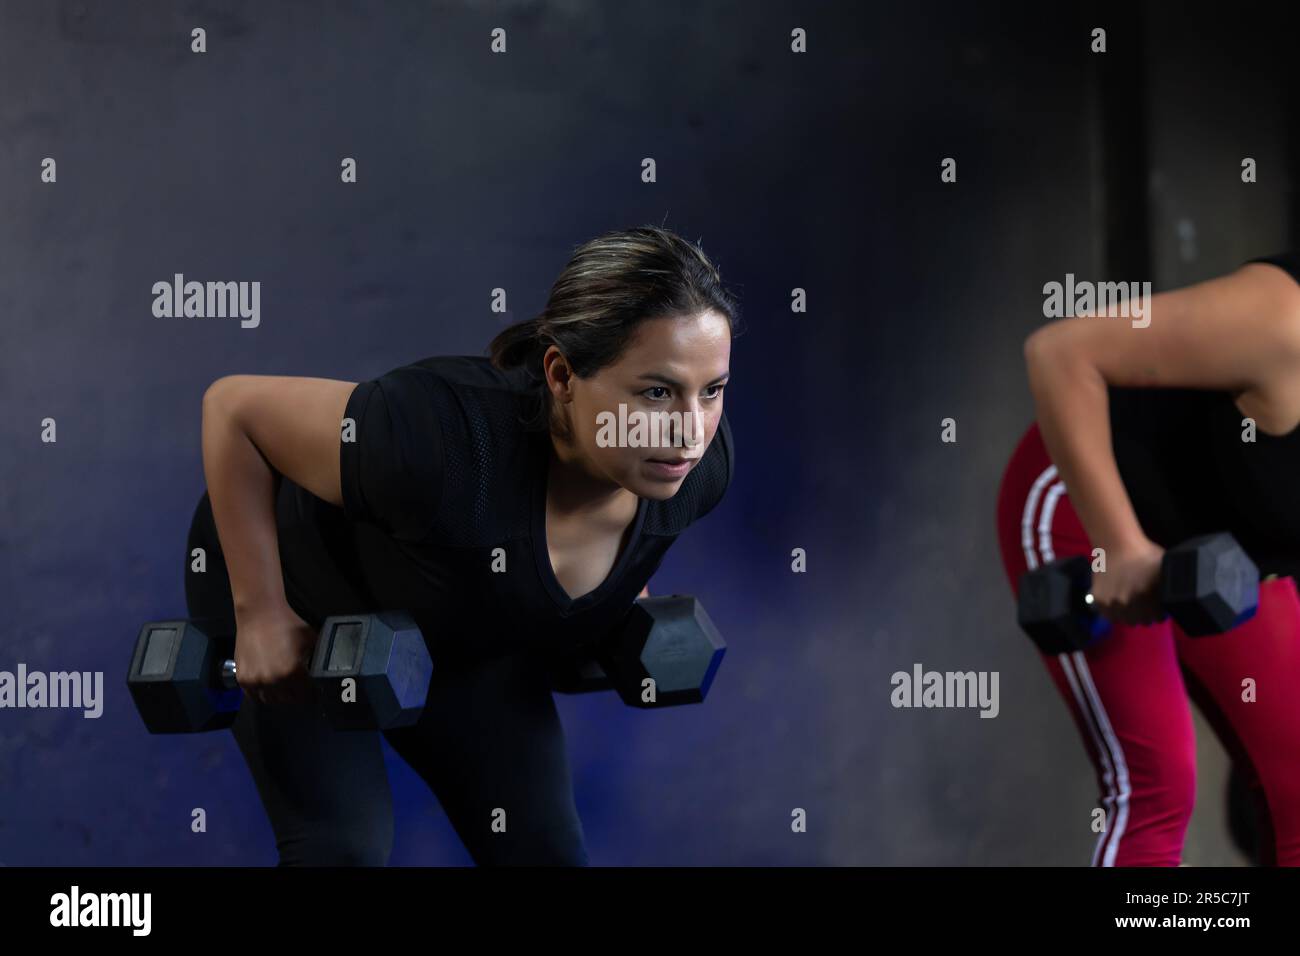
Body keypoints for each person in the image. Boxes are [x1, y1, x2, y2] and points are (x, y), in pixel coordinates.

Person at [186, 225, 737, 865]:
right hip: (303, 595)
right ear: (561, 374)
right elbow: (234, 410)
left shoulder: (695, 473)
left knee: (546, 856)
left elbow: (593, 560)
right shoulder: (438, 440)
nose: (691, 431)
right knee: (343, 850)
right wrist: (260, 616)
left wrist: (616, 598)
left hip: (462, 632)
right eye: (657, 391)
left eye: (713, 390)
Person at [996, 251, 1300, 866]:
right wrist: (1122, 546)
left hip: (1227, 542)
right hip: (1082, 497)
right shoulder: (1282, 321)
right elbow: (1058, 354)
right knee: (1158, 785)